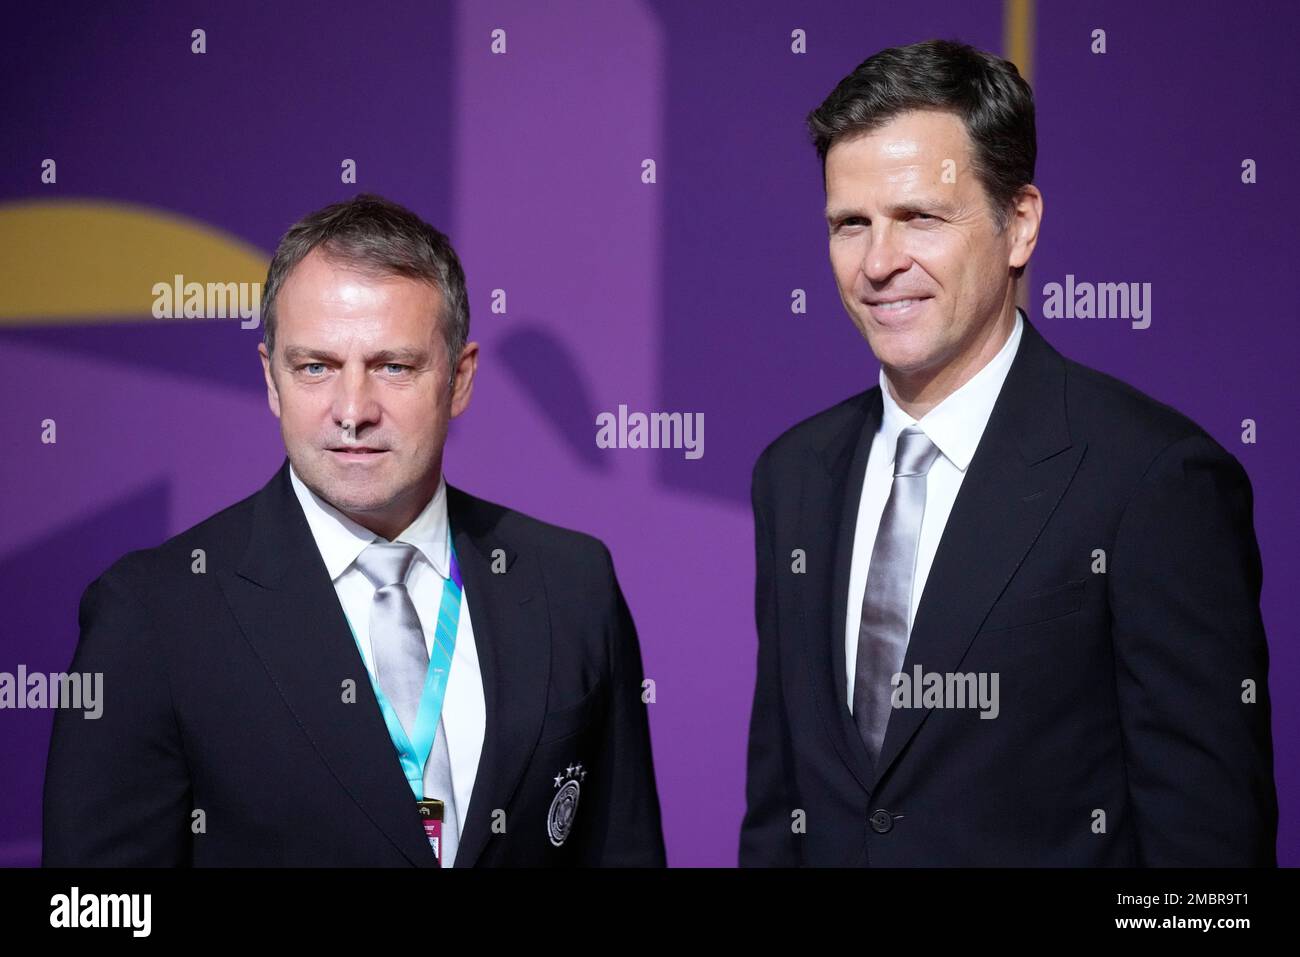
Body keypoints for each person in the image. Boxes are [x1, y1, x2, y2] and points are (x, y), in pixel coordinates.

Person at [740, 39, 1276, 866]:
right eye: (852, 224)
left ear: (1018, 223)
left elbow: (1206, 867)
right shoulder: (792, 476)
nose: (879, 263)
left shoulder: (1151, 479)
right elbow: (783, 816)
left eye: (919, 216)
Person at [44, 194, 666, 867]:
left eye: (393, 366)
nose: (352, 410)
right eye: (315, 366)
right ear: (271, 379)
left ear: (460, 379)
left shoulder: (572, 582)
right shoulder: (153, 613)